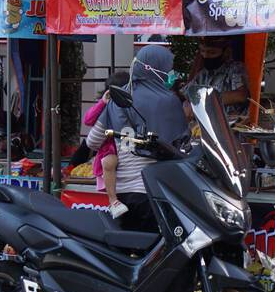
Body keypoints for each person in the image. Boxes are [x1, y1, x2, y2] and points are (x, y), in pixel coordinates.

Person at [85, 45, 189, 233]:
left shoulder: (119, 97)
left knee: (129, 249)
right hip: (156, 191)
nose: (169, 73)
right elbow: (181, 147)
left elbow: (92, 142)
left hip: (122, 194)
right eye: (167, 67)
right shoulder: (169, 102)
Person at [79, 70, 131, 220]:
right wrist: (102, 102)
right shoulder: (107, 106)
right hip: (109, 149)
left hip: (125, 149)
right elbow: (88, 120)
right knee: (109, 162)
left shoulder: (132, 106)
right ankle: (113, 201)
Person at [187, 37, 250, 110]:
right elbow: (187, 92)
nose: (205, 56)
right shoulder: (203, 73)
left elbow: (241, 95)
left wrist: (207, 100)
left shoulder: (235, 68)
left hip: (231, 119)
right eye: (202, 51)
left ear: (226, 52)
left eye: (212, 52)